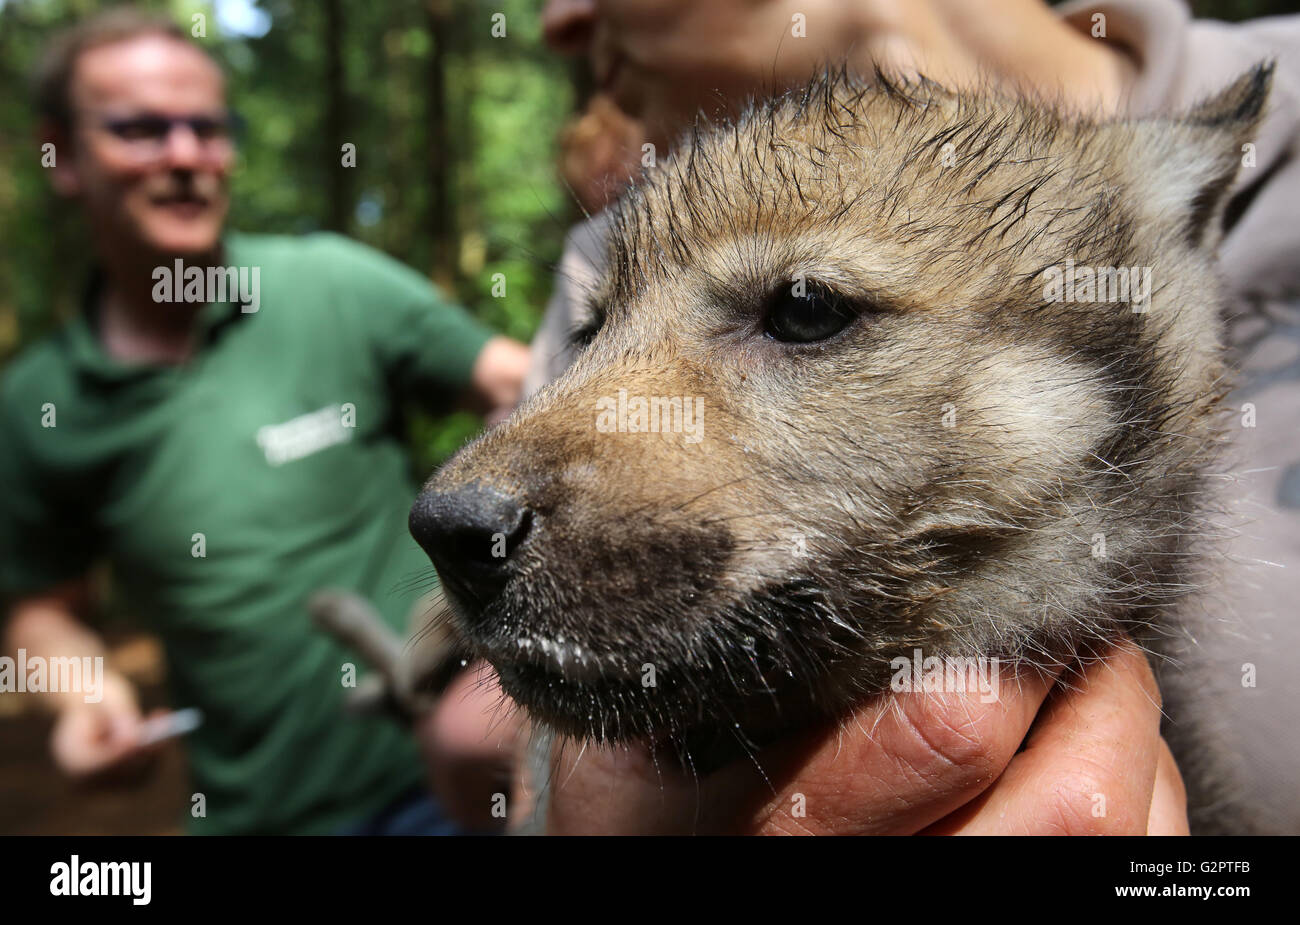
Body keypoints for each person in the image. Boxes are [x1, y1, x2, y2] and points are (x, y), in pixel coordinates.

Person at [501, 0, 1300, 833]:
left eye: (805, 311)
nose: (559, 17)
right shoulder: (604, 249)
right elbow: (529, 782)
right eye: (596, 330)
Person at [0, 8, 530, 835]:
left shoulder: (333, 285)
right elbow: (42, 603)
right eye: (140, 129)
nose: (184, 156)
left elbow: (534, 388)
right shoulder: (40, 402)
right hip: (248, 813)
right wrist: (83, 689)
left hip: (443, 786)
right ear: (60, 155)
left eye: (208, 128)